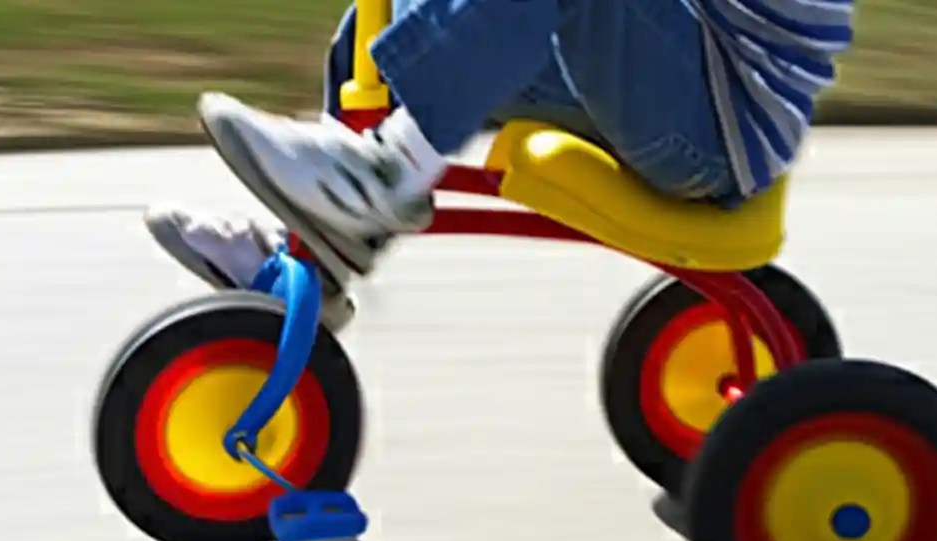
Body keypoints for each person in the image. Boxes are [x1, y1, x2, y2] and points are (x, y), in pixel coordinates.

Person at [144, 0, 854, 332]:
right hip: (660, 79)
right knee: (398, 22)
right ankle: (318, 248)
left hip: (712, 121)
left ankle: (381, 180)